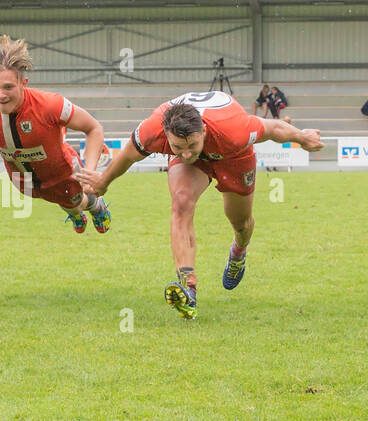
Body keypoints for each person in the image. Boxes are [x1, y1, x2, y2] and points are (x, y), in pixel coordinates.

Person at [76, 90, 323, 320]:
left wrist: (302, 137)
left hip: (232, 156)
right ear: (166, 134)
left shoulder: (234, 130)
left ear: (203, 131)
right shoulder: (152, 130)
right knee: (181, 201)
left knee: (241, 223)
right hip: (200, 161)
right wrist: (103, 182)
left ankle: (238, 252)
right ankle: (188, 287)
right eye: (177, 147)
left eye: (191, 145)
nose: (185, 154)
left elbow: (273, 127)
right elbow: (129, 155)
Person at [0, 34, 112, 234]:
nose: (0, 95)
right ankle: (76, 210)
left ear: (24, 83)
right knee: (64, 202)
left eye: (8, 87)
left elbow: (93, 128)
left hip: (62, 174)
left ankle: (95, 206)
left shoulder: (50, 105)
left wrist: (90, 172)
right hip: (22, 181)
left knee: (74, 204)